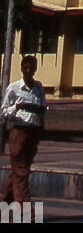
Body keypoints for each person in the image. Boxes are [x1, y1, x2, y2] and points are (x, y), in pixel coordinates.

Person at [1, 54, 47, 204]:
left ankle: (5, 207)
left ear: (35, 69)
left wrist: (40, 112)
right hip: (18, 132)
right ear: (21, 69)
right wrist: (17, 107)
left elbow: (43, 108)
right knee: (21, 173)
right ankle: (26, 214)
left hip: (32, 132)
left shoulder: (38, 87)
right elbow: (4, 111)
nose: (28, 71)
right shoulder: (14, 88)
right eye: (25, 68)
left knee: (19, 172)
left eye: (31, 68)